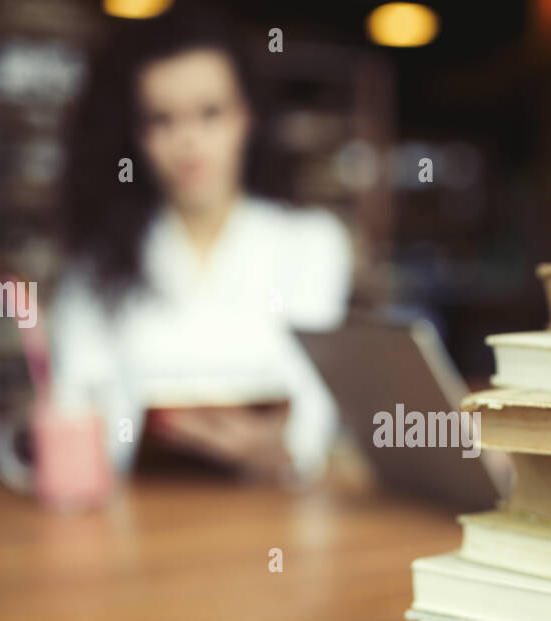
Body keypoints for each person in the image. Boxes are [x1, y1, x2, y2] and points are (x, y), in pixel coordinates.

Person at [52, 4, 352, 483]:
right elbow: (74, 409)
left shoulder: (312, 243)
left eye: (210, 113)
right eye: (162, 120)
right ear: (137, 138)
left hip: (275, 514)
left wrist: (286, 448)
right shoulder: (100, 262)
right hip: (135, 523)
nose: (188, 141)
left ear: (246, 118)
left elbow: (318, 411)